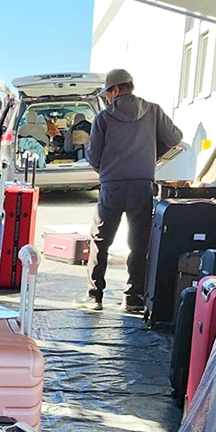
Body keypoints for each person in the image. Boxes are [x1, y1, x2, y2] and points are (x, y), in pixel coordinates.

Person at [80, 68, 183, 314]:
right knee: (139, 243)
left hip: (112, 186)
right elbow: (176, 137)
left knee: (100, 240)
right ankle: (133, 298)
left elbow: (94, 157)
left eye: (107, 93)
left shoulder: (103, 119)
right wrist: (151, 157)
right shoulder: (153, 111)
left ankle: (94, 296)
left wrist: (108, 170)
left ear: (115, 90)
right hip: (142, 185)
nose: (107, 98)